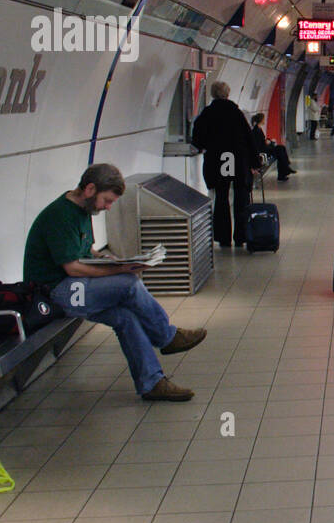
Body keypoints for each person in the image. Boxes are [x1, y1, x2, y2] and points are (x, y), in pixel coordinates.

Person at [23, 164, 202, 401]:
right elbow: (73, 268)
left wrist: (105, 259)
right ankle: (166, 337)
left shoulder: (82, 211)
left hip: (71, 285)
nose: (107, 208)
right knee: (128, 283)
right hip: (54, 293)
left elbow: (87, 250)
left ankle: (152, 383)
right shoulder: (60, 216)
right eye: (106, 201)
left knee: (125, 318)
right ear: (89, 189)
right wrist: (117, 270)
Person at [191, 81, 261, 247]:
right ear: (228, 94)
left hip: (218, 160)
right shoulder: (236, 113)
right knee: (241, 198)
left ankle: (223, 237)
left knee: (221, 198)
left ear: (213, 94)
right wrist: (255, 162)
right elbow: (249, 139)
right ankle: (241, 235)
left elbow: (198, 138)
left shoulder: (207, 113)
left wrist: (205, 146)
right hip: (238, 160)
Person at [250, 112, 296, 181]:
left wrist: (268, 141)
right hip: (263, 151)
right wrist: (267, 142)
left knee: (281, 148)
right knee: (280, 151)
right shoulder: (256, 131)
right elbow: (258, 144)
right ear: (260, 120)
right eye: (263, 119)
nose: (264, 120)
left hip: (265, 148)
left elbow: (262, 140)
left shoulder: (258, 129)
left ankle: (284, 171)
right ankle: (284, 171)